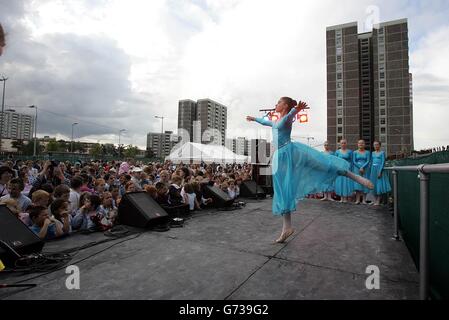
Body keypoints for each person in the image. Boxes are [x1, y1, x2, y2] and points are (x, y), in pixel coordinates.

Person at [247, 97, 373, 243]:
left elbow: (289, 116)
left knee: (322, 165)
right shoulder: (275, 121)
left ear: (285, 105)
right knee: (283, 189)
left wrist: (296, 110)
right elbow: (265, 121)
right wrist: (254, 118)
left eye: (279, 102)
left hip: (291, 152)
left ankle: (354, 176)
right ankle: (287, 227)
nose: (276, 104)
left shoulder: (286, 119)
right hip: (279, 157)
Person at [369, 141, 391, 206]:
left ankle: (378, 200)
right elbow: (371, 161)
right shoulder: (372, 153)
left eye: (377, 145)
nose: (376, 146)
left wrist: (380, 171)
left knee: (379, 185)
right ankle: (375, 200)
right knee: (373, 185)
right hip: (373, 170)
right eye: (374, 145)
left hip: (379, 169)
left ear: (380, 145)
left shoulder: (382, 153)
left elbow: (383, 162)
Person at [334, 139, 354, 203]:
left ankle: (345, 198)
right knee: (340, 182)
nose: (343, 144)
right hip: (340, 169)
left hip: (346, 169)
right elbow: (335, 161)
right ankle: (341, 198)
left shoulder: (350, 151)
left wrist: (350, 169)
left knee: (346, 183)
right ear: (340, 144)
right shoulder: (337, 152)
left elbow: (351, 161)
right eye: (342, 143)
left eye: (344, 143)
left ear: (346, 144)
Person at [352, 140, 371, 205]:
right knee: (358, 183)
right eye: (359, 143)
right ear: (357, 144)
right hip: (357, 169)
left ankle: (364, 200)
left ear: (364, 144)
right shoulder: (354, 152)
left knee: (364, 183)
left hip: (365, 169)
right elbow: (354, 161)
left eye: (362, 143)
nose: (361, 144)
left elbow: (368, 160)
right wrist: (360, 167)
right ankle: (357, 199)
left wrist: (362, 167)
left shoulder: (367, 152)